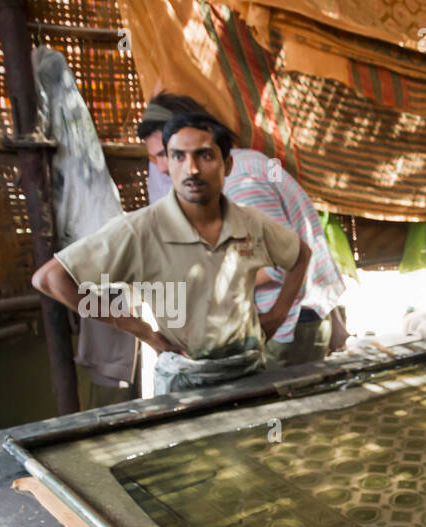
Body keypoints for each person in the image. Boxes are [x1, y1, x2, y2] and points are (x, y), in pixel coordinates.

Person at [32, 112, 311, 393]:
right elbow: (51, 279)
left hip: (249, 370)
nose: (191, 169)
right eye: (178, 156)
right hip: (185, 377)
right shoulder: (140, 230)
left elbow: (301, 255)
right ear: (166, 162)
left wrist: (277, 315)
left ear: (227, 165)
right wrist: (137, 328)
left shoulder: (252, 222)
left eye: (205, 156)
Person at [137, 93, 347, 369]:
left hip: (285, 325)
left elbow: (282, 262)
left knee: (279, 409)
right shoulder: (221, 177)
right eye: (155, 158)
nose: (163, 167)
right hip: (280, 322)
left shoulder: (241, 182)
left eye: (167, 154)